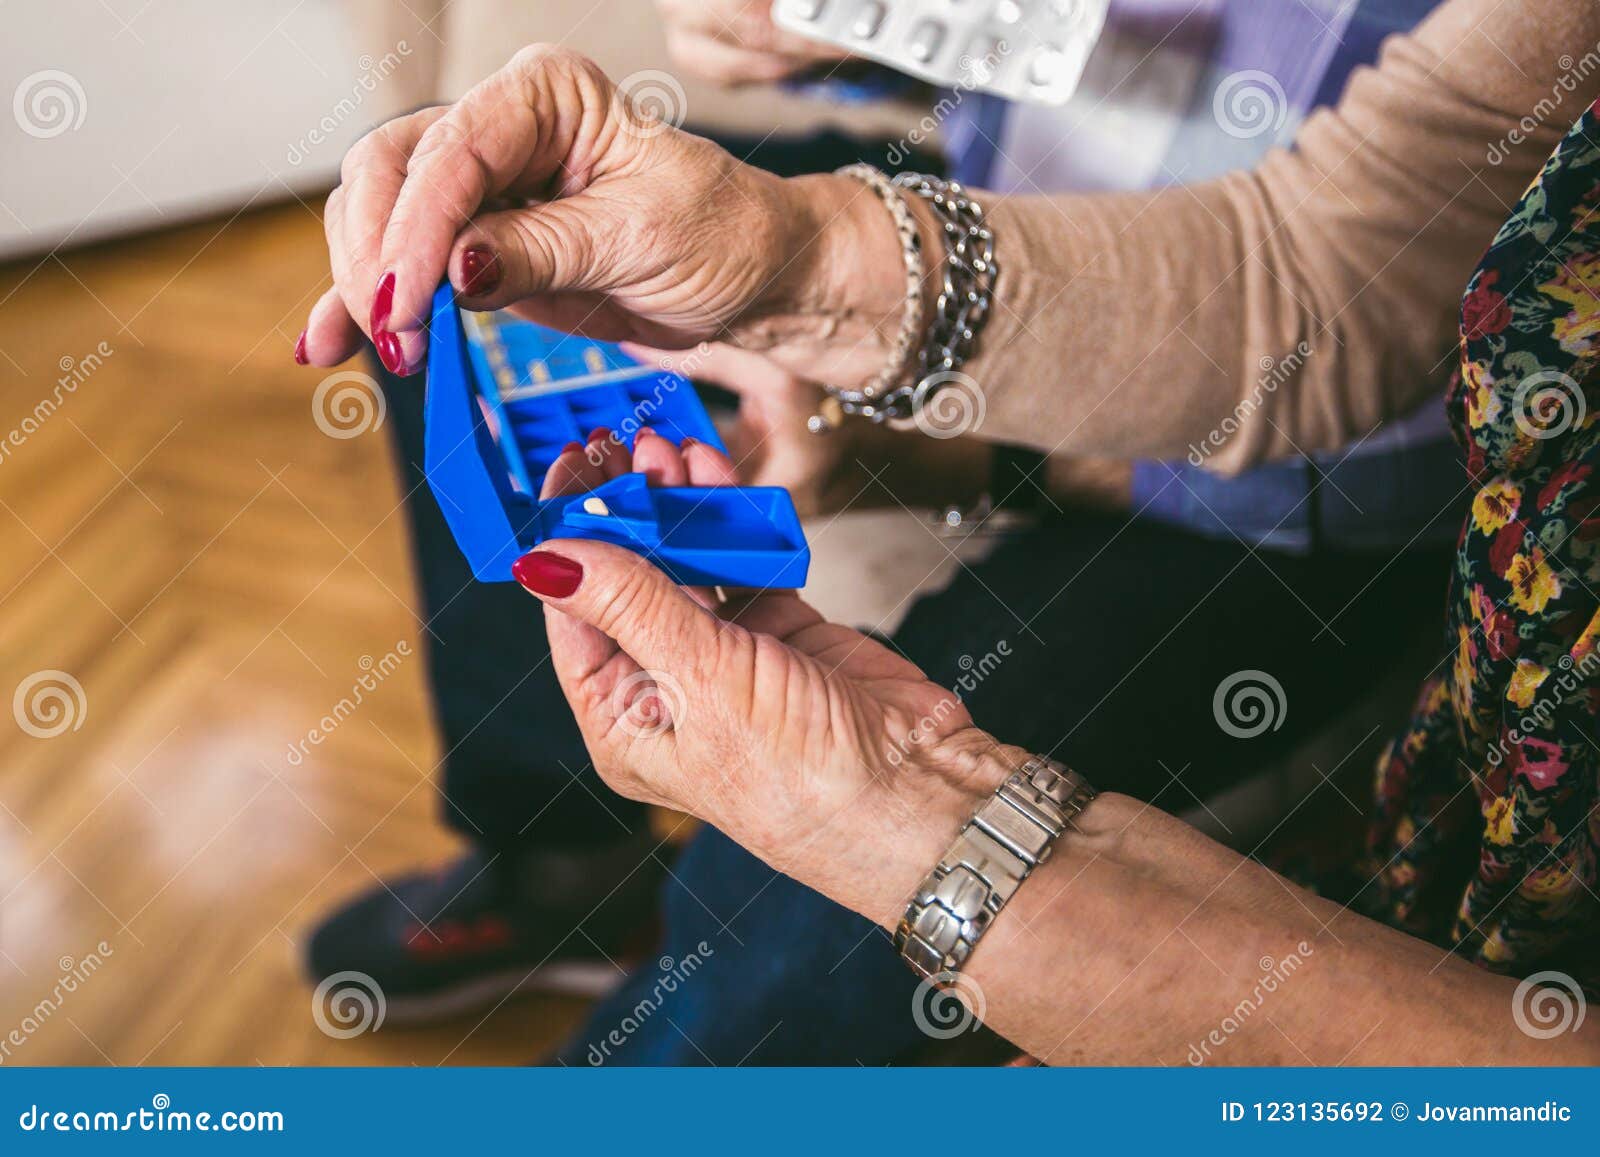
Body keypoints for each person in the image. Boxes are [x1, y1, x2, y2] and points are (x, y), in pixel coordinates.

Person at [298, 0, 1599, 1061]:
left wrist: (835, 312)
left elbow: (1317, 288)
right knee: (483, 276)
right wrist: (856, 40)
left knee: (803, 930)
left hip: (1312, 492)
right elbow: (1080, 66)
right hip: (1019, 207)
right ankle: (566, 861)